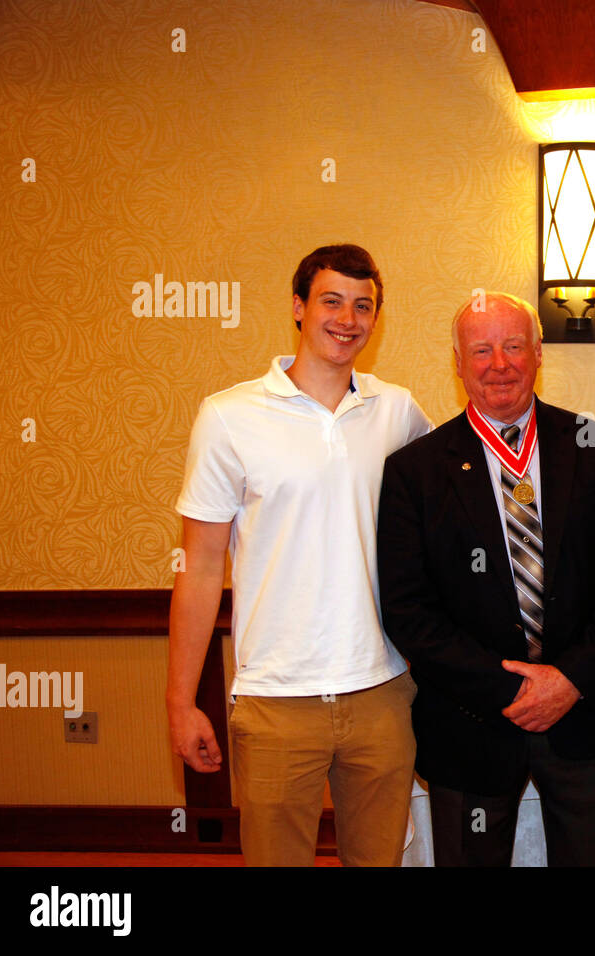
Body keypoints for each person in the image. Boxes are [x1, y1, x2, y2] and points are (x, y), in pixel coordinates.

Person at [167, 244, 431, 866]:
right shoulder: (229, 417)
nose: (347, 318)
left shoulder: (398, 412)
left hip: (384, 692)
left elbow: (449, 523)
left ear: (377, 317)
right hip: (275, 698)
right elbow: (200, 569)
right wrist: (182, 703)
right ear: (298, 308)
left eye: (363, 305)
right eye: (331, 300)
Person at [376, 292, 595, 866]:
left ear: (538, 353)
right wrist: (512, 690)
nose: (499, 364)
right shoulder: (414, 470)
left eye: (513, 346)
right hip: (469, 721)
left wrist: (567, 680)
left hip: (583, 714)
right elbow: (407, 608)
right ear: (457, 362)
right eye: (481, 349)